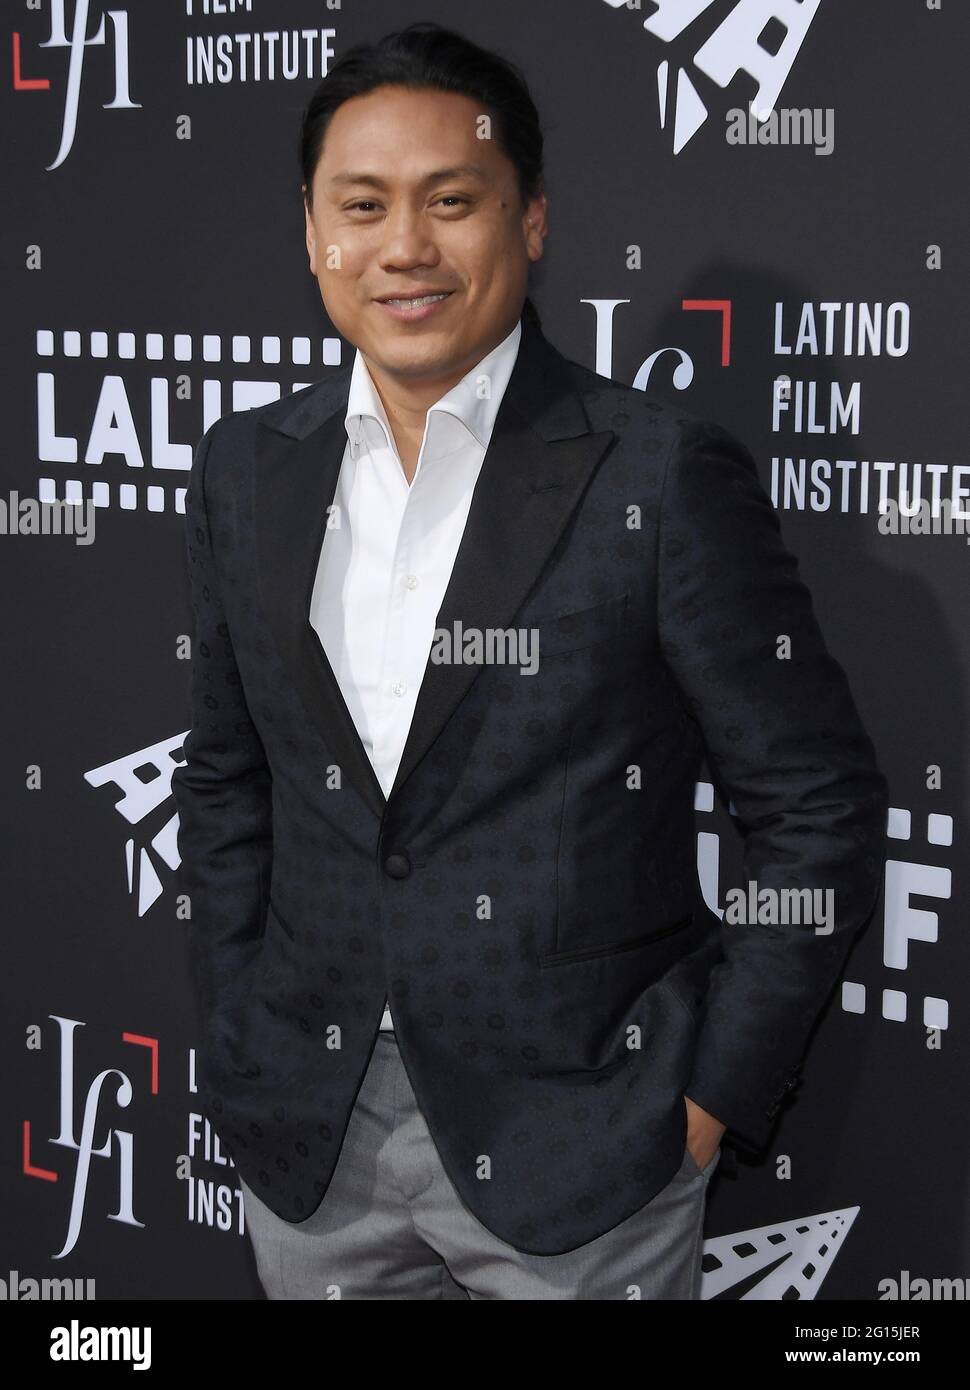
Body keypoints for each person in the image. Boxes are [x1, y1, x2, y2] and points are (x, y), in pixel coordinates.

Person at [172, 21, 888, 1300]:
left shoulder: (654, 475)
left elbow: (814, 811)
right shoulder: (244, 468)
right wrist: (238, 1026)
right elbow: (228, 781)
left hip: (584, 1155)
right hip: (309, 1144)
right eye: (364, 205)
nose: (405, 246)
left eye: (453, 201)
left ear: (533, 221)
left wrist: (706, 1104)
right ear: (312, 232)